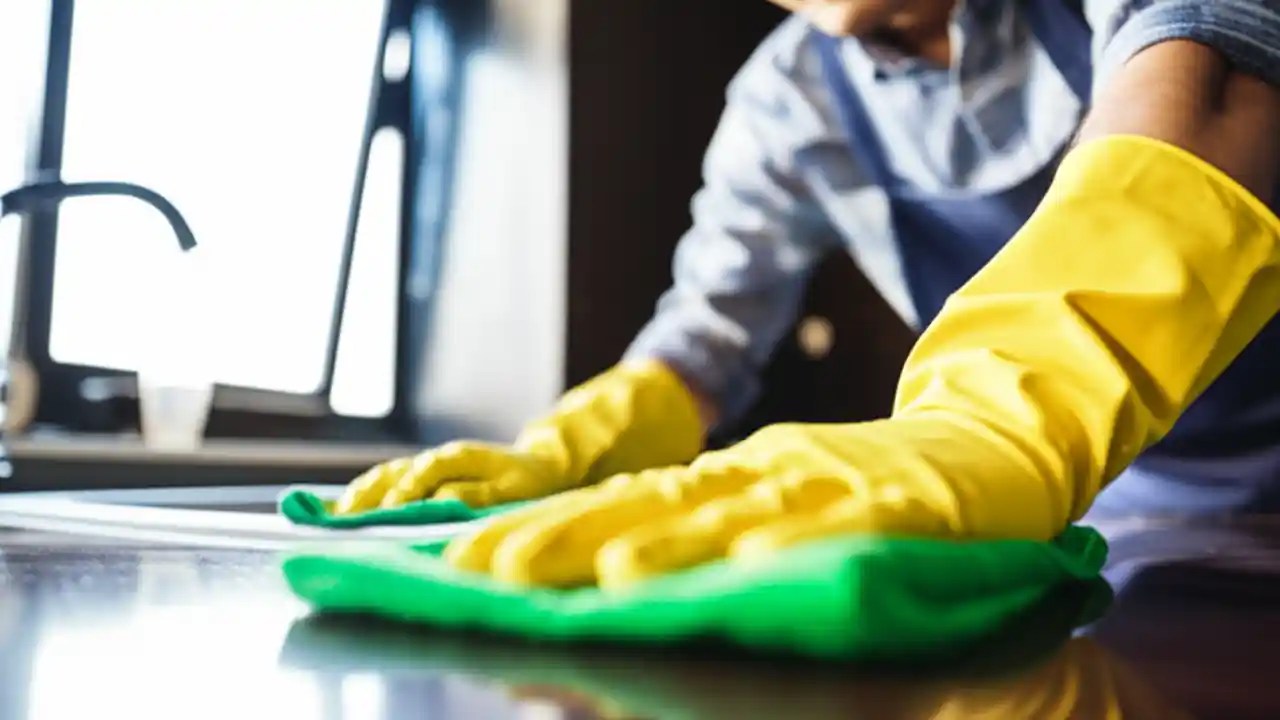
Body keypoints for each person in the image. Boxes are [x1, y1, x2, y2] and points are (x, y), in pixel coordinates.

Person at [338, 0, 1280, 588]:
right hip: (1113, 522)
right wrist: (581, 440)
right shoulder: (790, 101)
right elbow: (706, 336)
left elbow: (1216, 80)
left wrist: (999, 420)